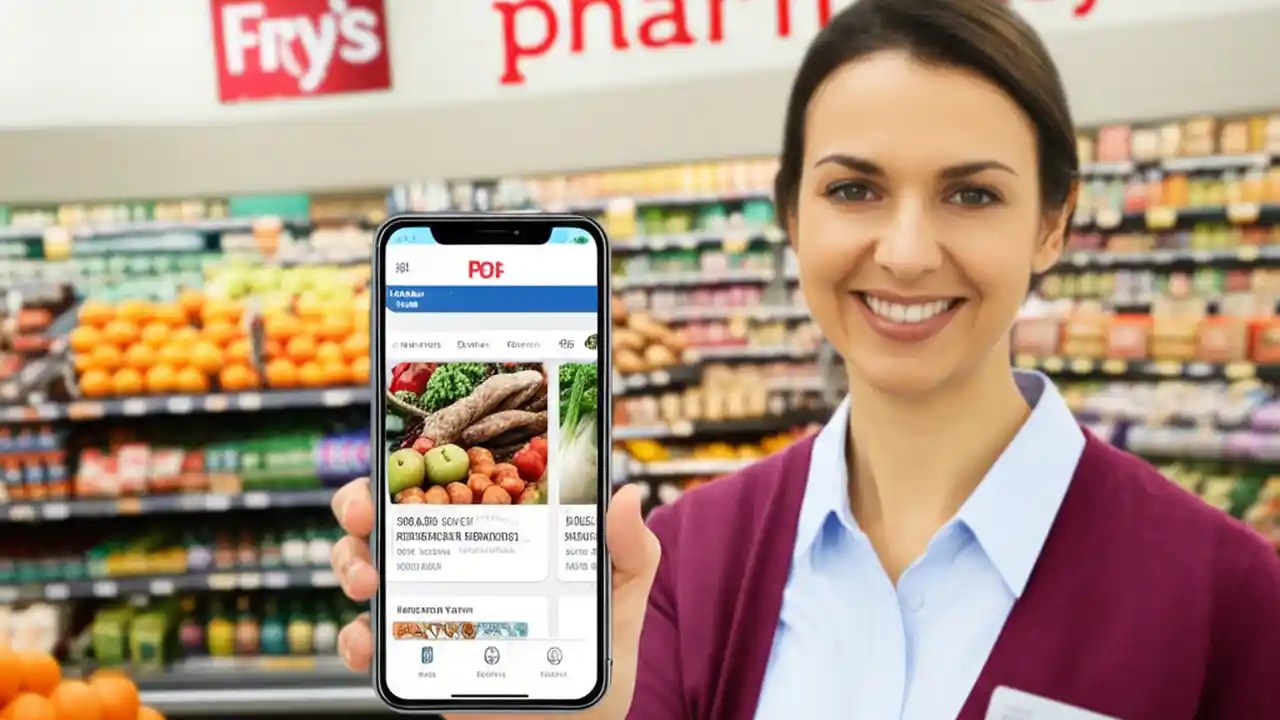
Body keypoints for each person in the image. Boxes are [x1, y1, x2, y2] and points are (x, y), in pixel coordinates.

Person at [330, 0, 1280, 717]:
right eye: (855, 188)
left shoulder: (1228, 596)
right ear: (793, 214)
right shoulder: (678, 570)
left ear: (1054, 221)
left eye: (973, 195)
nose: (906, 252)